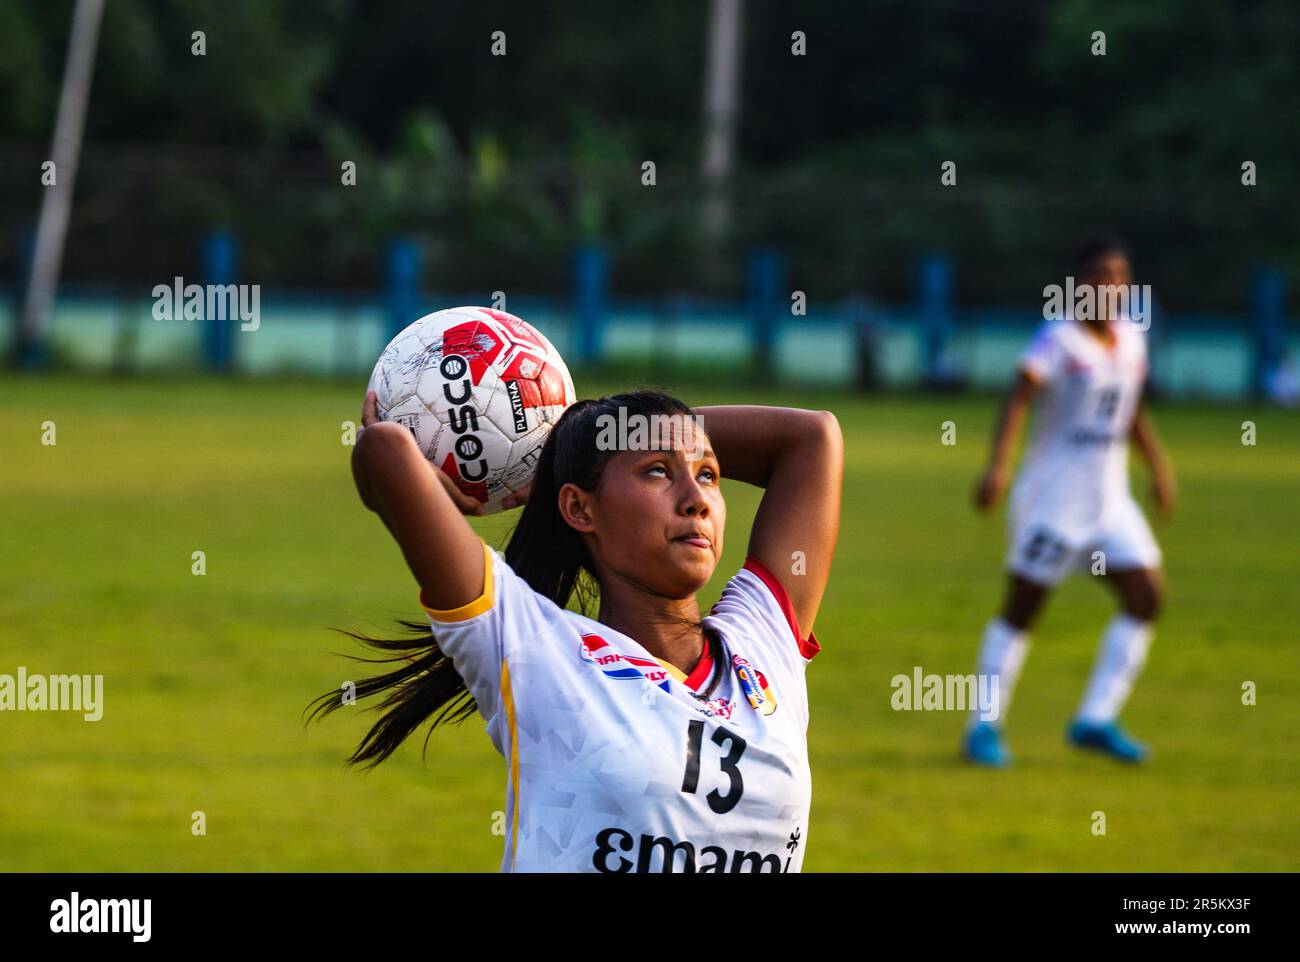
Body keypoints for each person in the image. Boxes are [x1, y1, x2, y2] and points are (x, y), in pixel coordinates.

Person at [310, 388, 842, 871]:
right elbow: (384, 450)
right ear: (579, 507)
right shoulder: (534, 649)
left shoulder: (763, 644)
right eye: (657, 471)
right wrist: (580, 440)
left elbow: (812, 438)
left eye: (707, 473)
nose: (696, 498)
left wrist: (594, 433)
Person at [964, 237, 1176, 766]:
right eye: (1100, 275)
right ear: (1078, 285)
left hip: (1110, 503)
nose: (1112, 285)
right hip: (1053, 502)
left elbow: (1128, 410)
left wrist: (1159, 467)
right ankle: (983, 729)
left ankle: (1095, 719)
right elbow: (1019, 398)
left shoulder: (1131, 342)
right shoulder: (1057, 341)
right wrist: (999, 466)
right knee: (1022, 610)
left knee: (1147, 597)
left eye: (1120, 275)